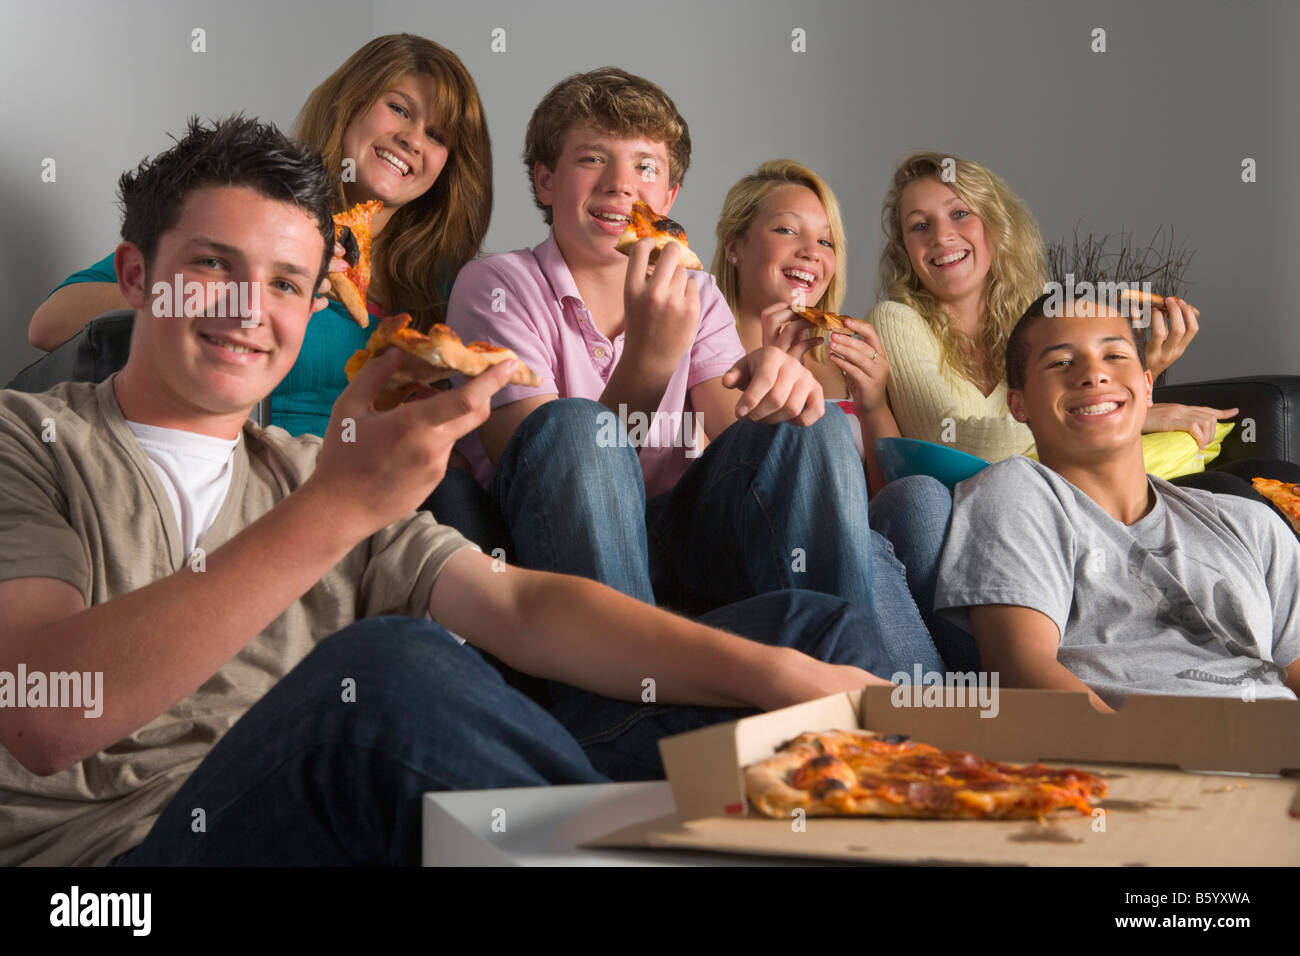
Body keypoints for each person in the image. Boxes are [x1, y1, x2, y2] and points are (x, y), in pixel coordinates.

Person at [0, 117, 896, 867]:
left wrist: (782, 675)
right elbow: (40, 712)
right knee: (387, 671)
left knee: (812, 635)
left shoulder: (306, 467)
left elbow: (523, 609)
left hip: (345, 832)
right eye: (211, 265)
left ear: (314, 303)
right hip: (117, 872)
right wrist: (340, 509)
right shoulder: (28, 438)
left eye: (281, 282)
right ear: (133, 277)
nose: (246, 309)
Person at [445, 68, 946, 688]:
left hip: (681, 535)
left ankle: (850, 687)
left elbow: (737, 442)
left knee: (803, 425)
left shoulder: (698, 289)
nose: (620, 185)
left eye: (646, 167)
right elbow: (535, 459)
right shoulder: (495, 285)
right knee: (573, 426)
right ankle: (617, 700)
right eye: (592, 158)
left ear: (671, 196)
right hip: (554, 549)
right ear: (545, 180)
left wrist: (770, 377)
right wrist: (649, 363)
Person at [26, 33, 492, 440]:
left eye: (437, 135)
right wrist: (249, 288)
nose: (412, 138)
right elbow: (49, 324)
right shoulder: (254, 217)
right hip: (252, 478)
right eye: (398, 109)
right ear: (349, 103)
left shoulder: (447, 285)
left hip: (380, 491)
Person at [933, 293, 1300, 710]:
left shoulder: (1251, 523)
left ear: (1147, 387)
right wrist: (1142, 764)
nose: (1093, 375)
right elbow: (1021, 670)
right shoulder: (1016, 494)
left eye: (1114, 355)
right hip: (1148, 759)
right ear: (1018, 405)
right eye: (1061, 363)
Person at [869, 151, 1240, 478]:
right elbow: (954, 445)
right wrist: (1138, 415)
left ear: (995, 227)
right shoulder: (895, 320)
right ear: (905, 250)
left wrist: (1148, 372)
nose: (941, 236)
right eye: (920, 225)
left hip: (1057, 490)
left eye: (960, 214)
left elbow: (1087, 408)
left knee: (1232, 478)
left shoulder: (1041, 319)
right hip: (970, 509)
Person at [712, 159, 899, 493]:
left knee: (922, 497)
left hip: (867, 540)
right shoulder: (707, 352)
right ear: (734, 247)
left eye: (826, 242)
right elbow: (734, 486)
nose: (812, 252)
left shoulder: (847, 367)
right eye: (787, 230)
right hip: (761, 537)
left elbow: (894, 501)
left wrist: (874, 406)